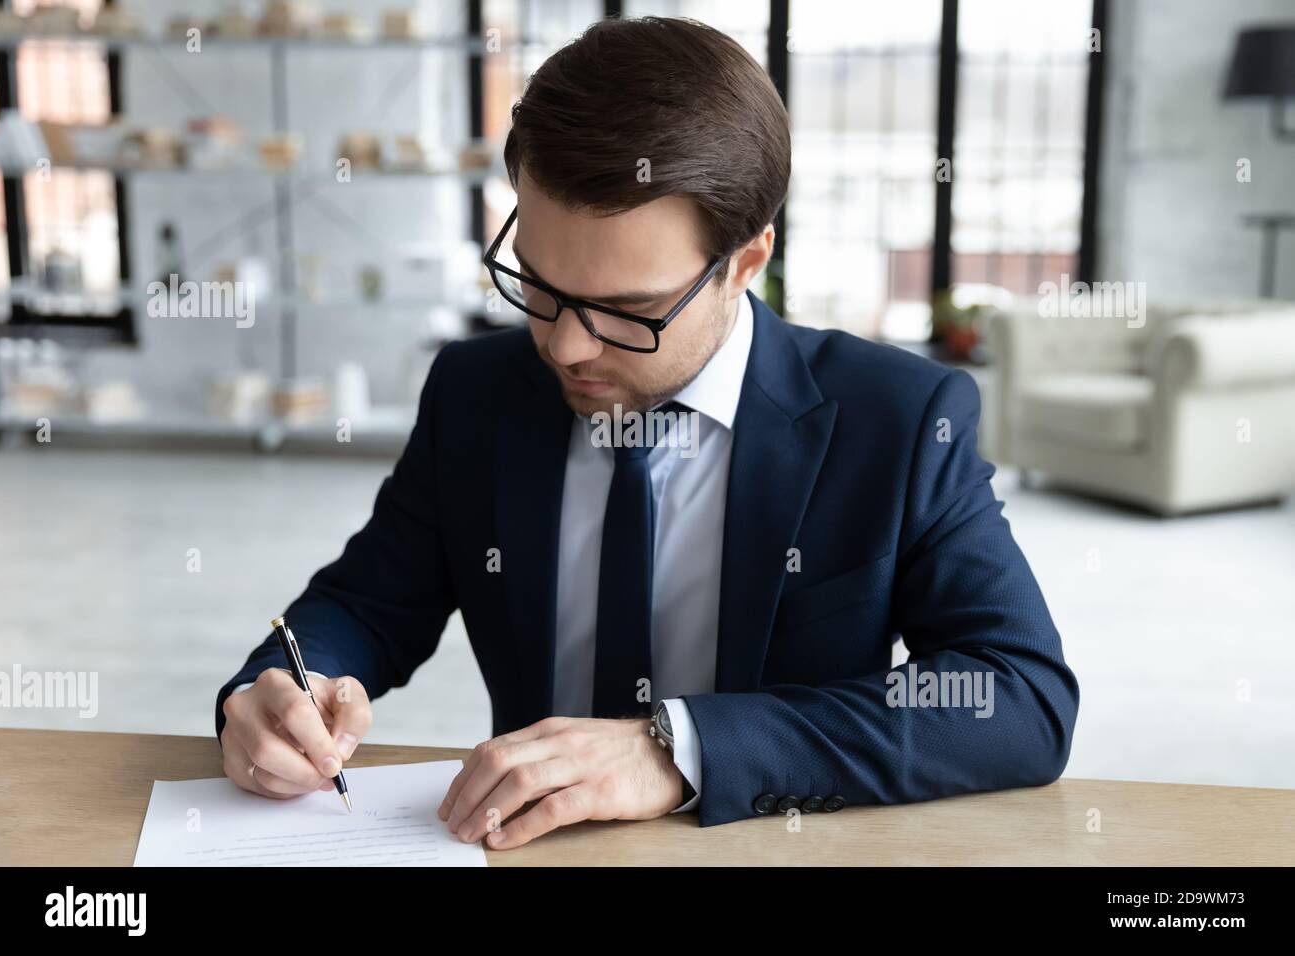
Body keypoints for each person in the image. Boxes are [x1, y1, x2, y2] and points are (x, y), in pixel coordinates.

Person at [216, 15, 1078, 850]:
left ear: (746, 262)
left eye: (625, 312)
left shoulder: (899, 419)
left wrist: (678, 747)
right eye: (540, 287)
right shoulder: (477, 392)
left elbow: (1017, 695)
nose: (564, 345)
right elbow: (367, 604)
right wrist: (284, 687)